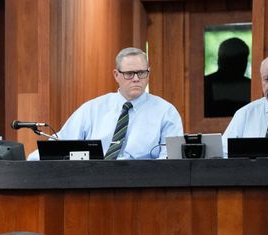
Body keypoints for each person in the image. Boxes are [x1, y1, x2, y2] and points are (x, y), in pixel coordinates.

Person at [33, 47, 183, 159]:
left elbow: (170, 159)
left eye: (142, 73)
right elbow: (60, 144)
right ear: (116, 75)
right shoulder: (92, 109)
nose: (136, 79)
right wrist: (30, 160)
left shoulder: (166, 112)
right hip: (94, 182)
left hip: (143, 184)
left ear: (148, 72)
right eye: (129, 74)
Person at [204, 37, 251, 118]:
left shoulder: (252, 87)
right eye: (231, 61)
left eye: (239, 61)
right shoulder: (203, 85)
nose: (234, 66)